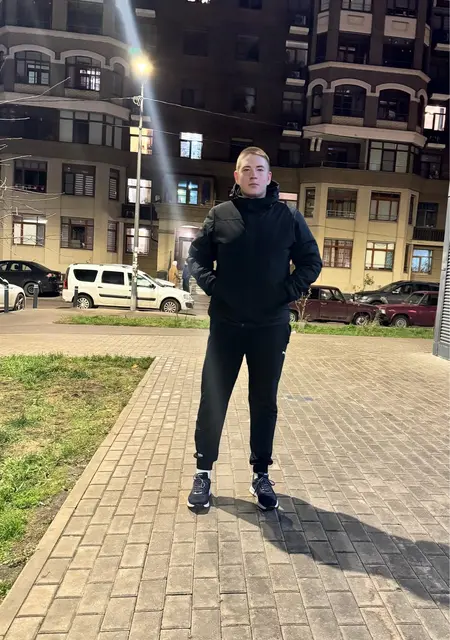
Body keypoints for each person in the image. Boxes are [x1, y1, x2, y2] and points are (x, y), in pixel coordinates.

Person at [187, 147, 322, 510]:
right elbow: (196, 259)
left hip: (270, 327)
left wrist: (286, 293)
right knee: (213, 397)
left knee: (264, 401)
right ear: (237, 176)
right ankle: (203, 472)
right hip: (227, 325)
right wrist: (216, 288)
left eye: (259, 169)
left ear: (268, 176)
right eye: (246, 169)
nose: (253, 175)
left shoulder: (288, 217)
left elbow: (311, 262)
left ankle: (261, 474)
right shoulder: (220, 215)